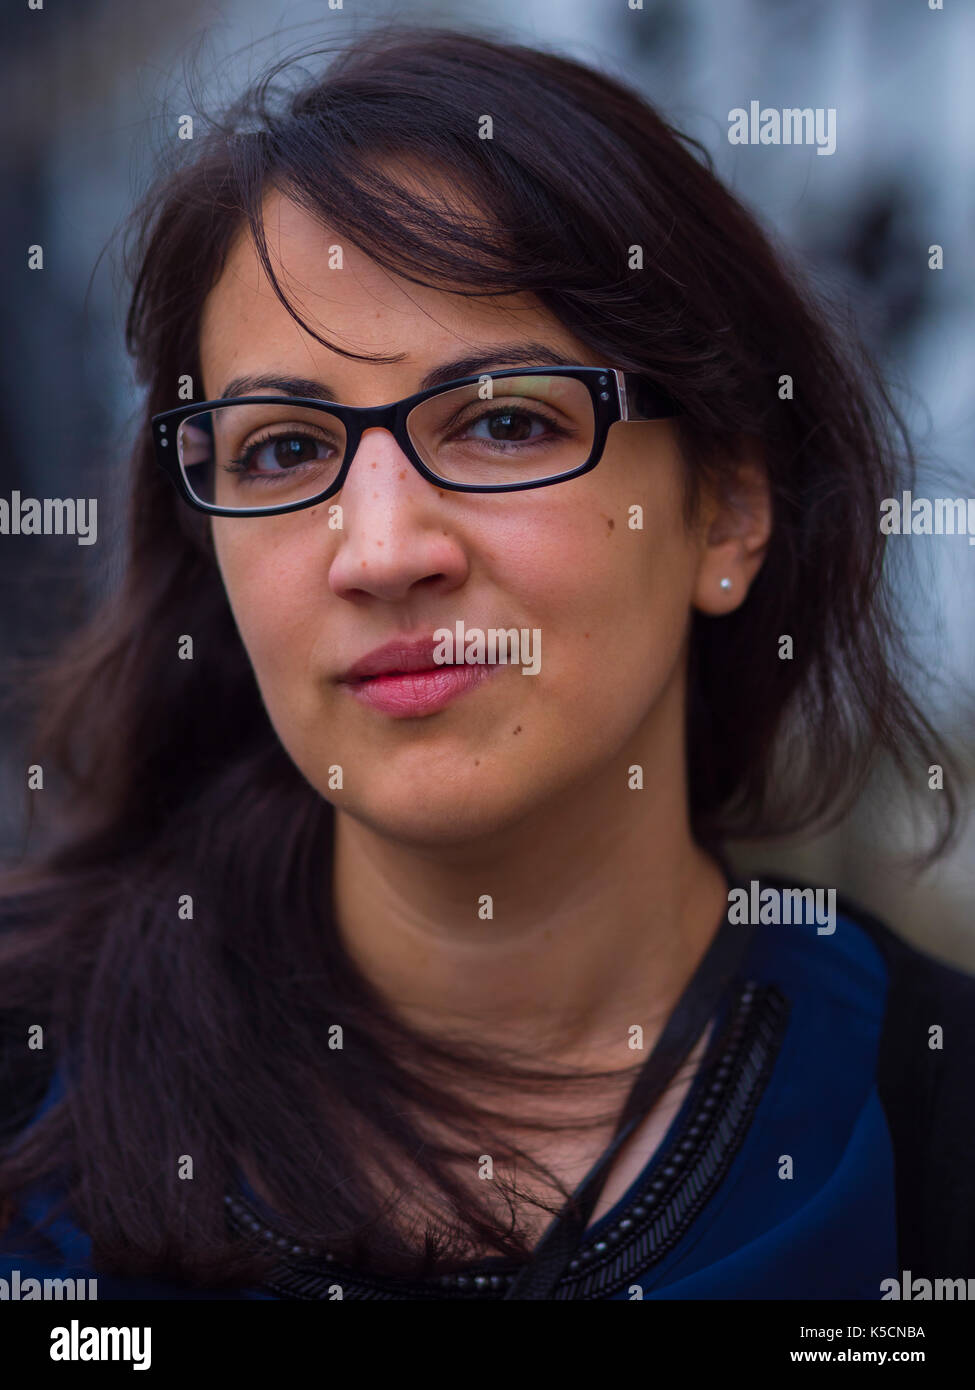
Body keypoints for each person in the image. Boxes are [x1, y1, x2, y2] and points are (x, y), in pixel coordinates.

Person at [1, 25, 972, 1301]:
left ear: (729, 508)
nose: (385, 550)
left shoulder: (927, 1126)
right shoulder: (33, 1106)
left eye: (507, 422)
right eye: (285, 451)